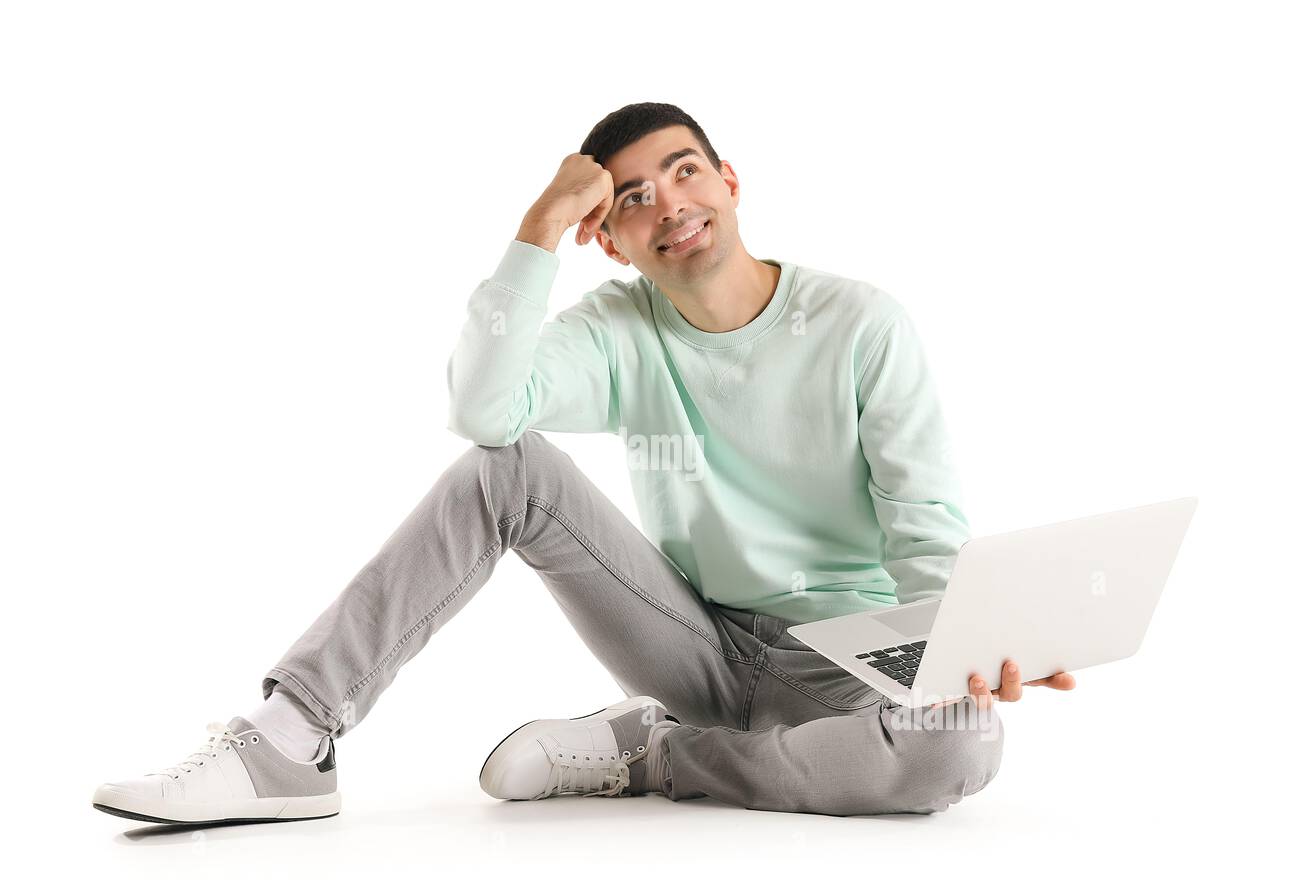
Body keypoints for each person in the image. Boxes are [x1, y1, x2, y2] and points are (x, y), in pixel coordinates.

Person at [92, 102, 1074, 827]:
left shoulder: (861, 324)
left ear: (730, 183)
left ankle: (661, 757)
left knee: (961, 747)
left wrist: (966, 651)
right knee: (504, 466)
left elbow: (925, 529)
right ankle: (289, 740)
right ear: (610, 239)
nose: (671, 206)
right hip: (700, 647)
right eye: (635, 199)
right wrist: (538, 227)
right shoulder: (617, 328)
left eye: (686, 174)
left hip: (849, 664)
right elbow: (483, 410)